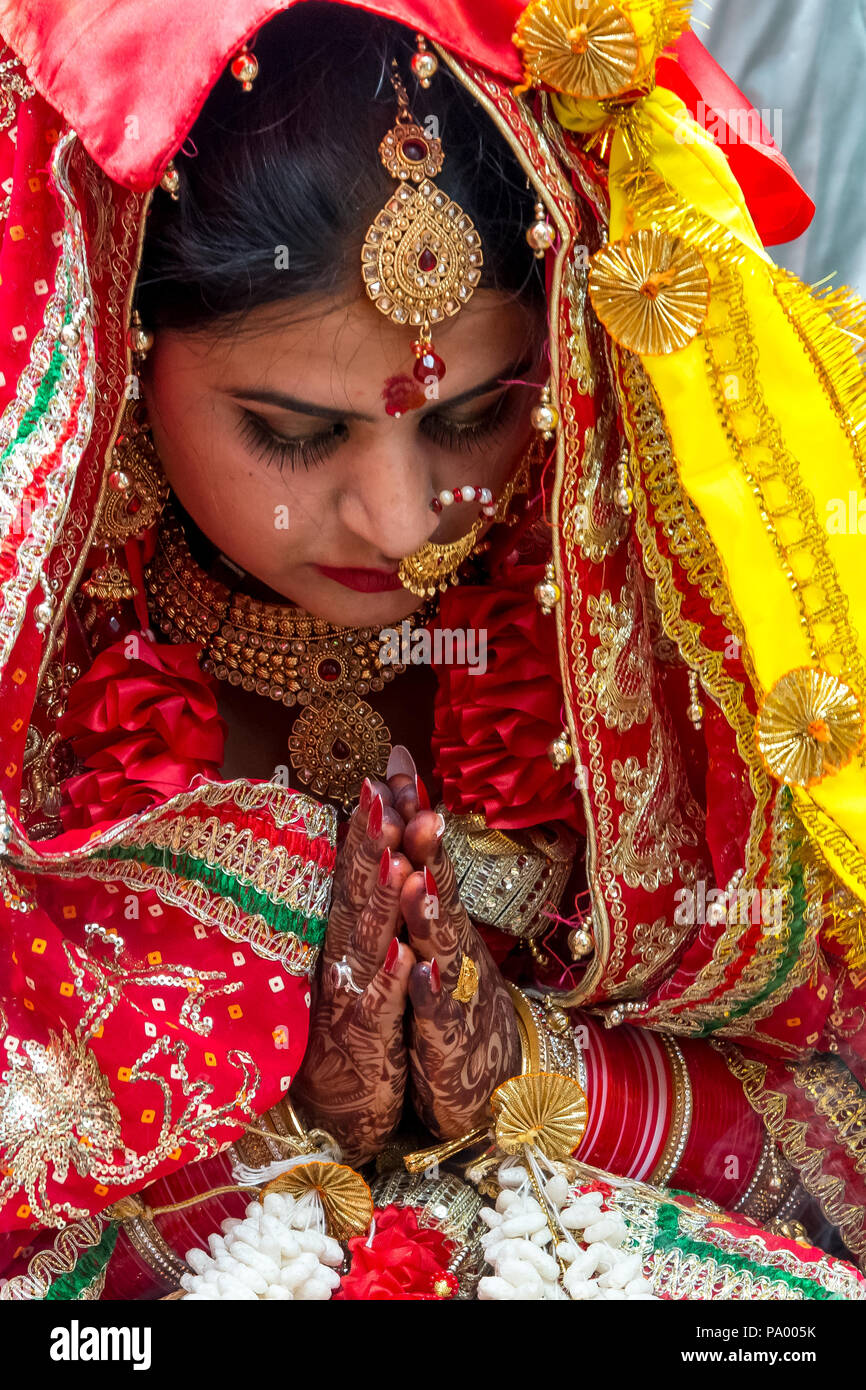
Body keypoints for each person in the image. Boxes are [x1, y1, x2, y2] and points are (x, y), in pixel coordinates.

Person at [0, 0, 864, 1301]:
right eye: (294, 431)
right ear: (117, 334)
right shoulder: (45, 674)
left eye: (474, 416)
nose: (405, 522)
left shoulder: (635, 628)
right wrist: (288, 1142)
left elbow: (830, 1124)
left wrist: (532, 1066)